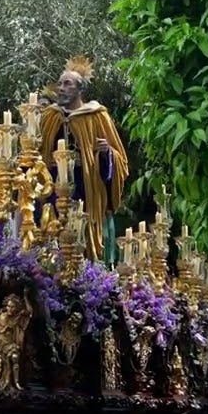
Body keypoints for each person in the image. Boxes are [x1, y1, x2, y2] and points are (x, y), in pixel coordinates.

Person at [39, 56, 128, 263]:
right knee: (51, 231)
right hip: (52, 185)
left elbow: (119, 159)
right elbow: (36, 152)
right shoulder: (50, 116)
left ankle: (85, 276)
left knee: (81, 235)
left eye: (67, 84)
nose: (61, 88)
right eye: (60, 83)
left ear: (80, 89)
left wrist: (106, 153)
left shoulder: (97, 116)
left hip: (84, 187)